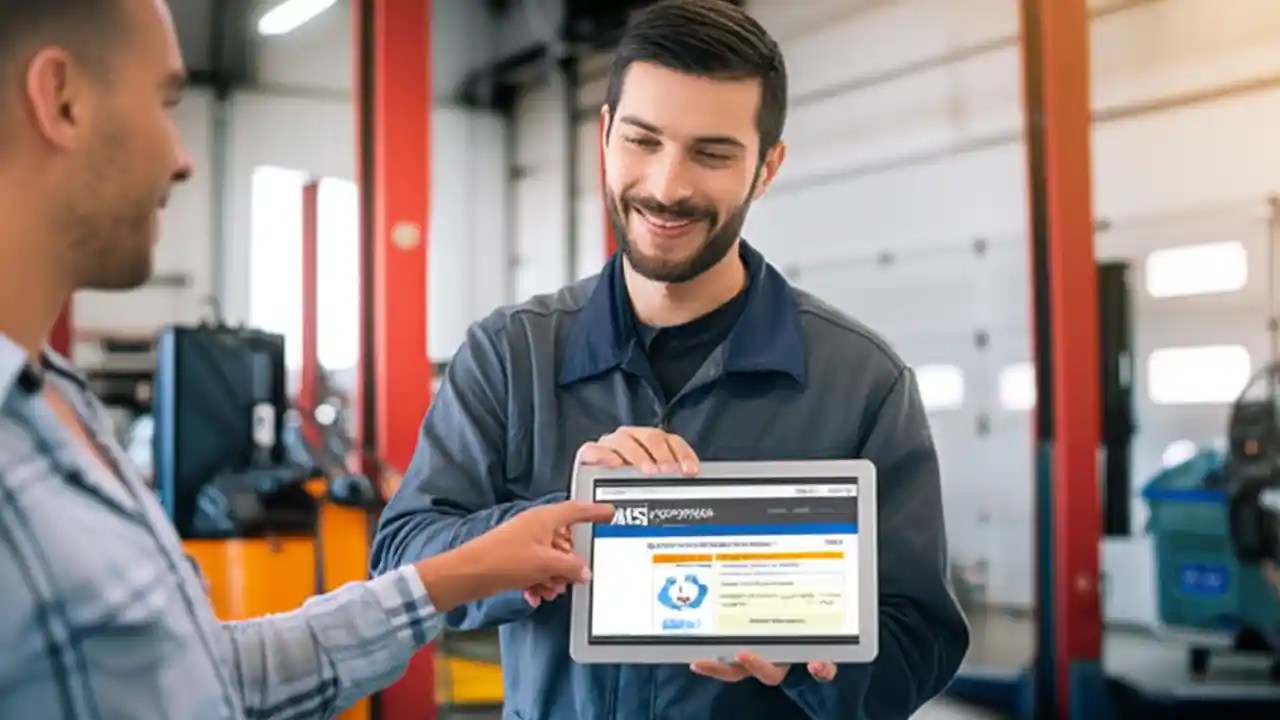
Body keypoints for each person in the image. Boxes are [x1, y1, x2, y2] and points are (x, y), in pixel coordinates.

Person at [0, 1, 614, 718]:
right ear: (61, 100)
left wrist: (460, 572)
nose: (181, 156)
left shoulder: (60, 400)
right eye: (165, 102)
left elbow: (209, 674)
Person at [372, 0, 971, 718]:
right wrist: (545, 529)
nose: (667, 186)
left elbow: (922, 639)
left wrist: (814, 661)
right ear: (604, 135)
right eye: (642, 141)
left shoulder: (861, 382)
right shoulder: (510, 357)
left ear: (767, 166)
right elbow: (402, 562)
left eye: (712, 153)